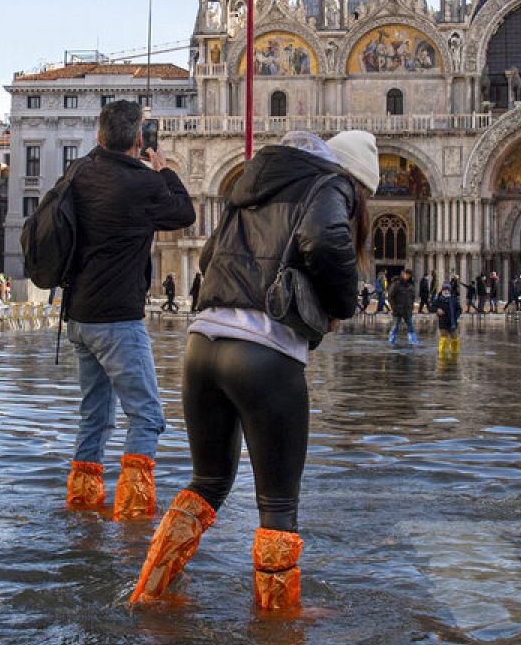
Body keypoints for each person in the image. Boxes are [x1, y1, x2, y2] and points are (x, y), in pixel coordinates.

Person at [130, 130, 374, 612]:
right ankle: (278, 618)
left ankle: (150, 591)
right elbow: (324, 239)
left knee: (208, 482)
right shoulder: (334, 183)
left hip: (202, 345)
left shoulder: (251, 185)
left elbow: (205, 257)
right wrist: (342, 303)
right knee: (278, 505)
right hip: (263, 353)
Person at [63, 100, 196, 520]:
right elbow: (184, 212)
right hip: (118, 319)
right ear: (139, 140)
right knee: (148, 417)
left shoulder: (78, 173)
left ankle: (83, 505)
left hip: (79, 317)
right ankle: (135, 515)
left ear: (99, 137)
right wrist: (163, 170)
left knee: (95, 417)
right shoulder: (142, 183)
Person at [431, 281, 462, 363]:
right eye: (444, 289)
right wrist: (437, 310)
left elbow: (459, 309)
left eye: (447, 289)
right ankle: (442, 355)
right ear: (442, 290)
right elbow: (431, 307)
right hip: (443, 322)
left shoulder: (453, 298)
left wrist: (455, 317)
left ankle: (454, 354)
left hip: (452, 323)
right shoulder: (438, 299)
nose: (446, 291)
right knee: (443, 338)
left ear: (450, 290)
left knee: (455, 338)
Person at [387, 269, 418, 346]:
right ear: (403, 274)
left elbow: (412, 297)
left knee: (411, 326)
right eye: (406, 274)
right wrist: (394, 308)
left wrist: (411, 307)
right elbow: (390, 297)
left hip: (407, 310)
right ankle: (391, 341)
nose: (407, 276)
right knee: (395, 326)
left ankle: (413, 341)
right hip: (398, 310)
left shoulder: (411, 285)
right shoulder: (396, 284)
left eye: (409, 275)